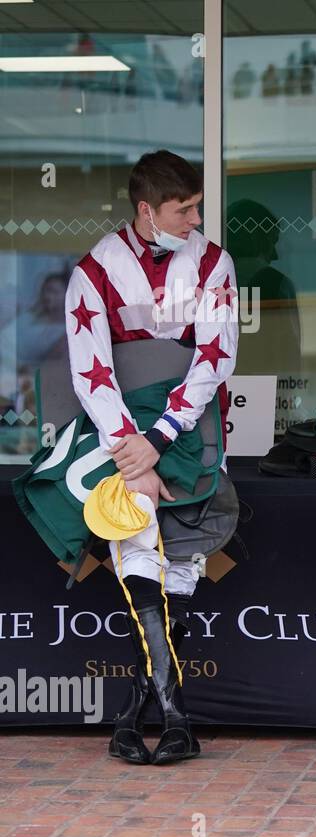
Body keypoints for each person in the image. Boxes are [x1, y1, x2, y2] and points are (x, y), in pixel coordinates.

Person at [46, 150, 237, 764]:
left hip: (188, 432)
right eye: (184, 209)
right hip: (121, 436)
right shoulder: (95, 269)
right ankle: (174, 717)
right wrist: (134, 451)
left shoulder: (214, 262)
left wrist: (158, 441)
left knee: (179, 559)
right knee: (136, 549)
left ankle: (134, 716)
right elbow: (90, 371)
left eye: (197, 206)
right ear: (146, 210)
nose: (195, 217)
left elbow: (215, 358)